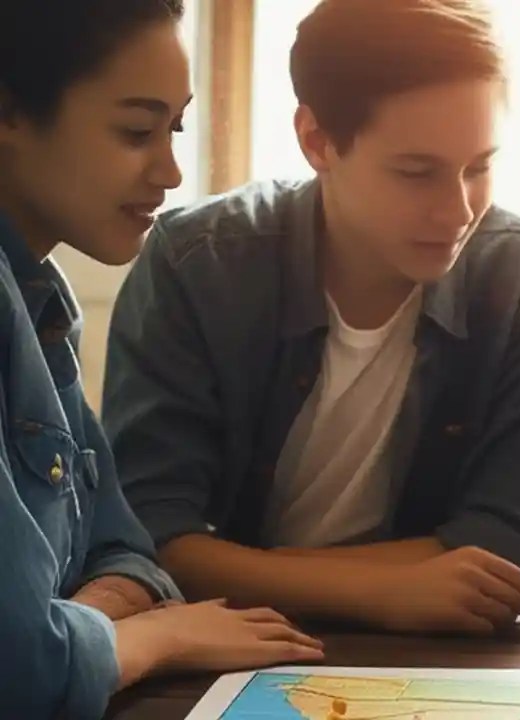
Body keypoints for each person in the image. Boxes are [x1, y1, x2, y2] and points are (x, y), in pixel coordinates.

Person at [102, 0, 520, 636]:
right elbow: (151, 536)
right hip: (223, 650)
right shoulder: (198, 265)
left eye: (479, 167)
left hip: (430, 659)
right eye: (417, 173)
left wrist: (237, 567)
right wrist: (381, 590)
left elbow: (513, 546)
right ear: (317, 141)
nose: (459, 211)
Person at [0, 1, 325, 717]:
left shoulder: (39, 302)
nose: (172, 172)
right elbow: (21, 667)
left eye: (175, 128)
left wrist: (88, 619)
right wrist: (163, 638)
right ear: (12, 112)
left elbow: (131, 553)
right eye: (136, 131)